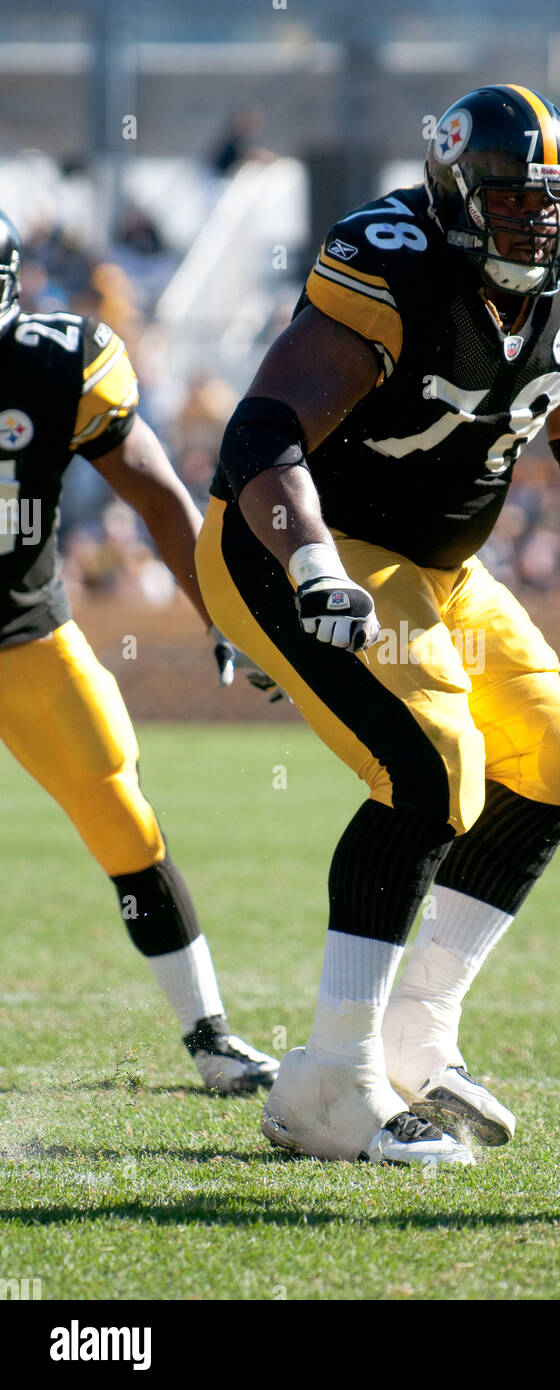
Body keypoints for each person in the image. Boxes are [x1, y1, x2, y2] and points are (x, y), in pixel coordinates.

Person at [197, 85, 560, 1163]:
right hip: (287, 541)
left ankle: (418, 1031)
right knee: (431, 765)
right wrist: (313, 564)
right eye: (510, 205)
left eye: (548, 206)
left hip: (436, 567)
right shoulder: (392, 264)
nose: (534, 228)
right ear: (457, 197)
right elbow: (259, 432)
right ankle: (329, 1079)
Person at [0, 209, 279, 1094]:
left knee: (121, 814)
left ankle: (209, 1036)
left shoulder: (52, 361)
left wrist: (221, 612)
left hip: (22, 637)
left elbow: (159, 498)